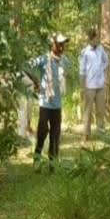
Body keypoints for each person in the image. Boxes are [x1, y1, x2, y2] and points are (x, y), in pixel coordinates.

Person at [27, 34, 71, 165]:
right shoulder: (44, 59)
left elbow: (66, 73)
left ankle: (53, 163)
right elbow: (27, 66)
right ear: (52, 44)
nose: (61, 47)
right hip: (45, 103)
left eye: (63, 44)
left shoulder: (64, 60)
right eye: (59, 44)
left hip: (57, 104)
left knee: (55, 134)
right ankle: (37, 159)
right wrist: (35, 81)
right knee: (42, 131)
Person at [78, 27, 110, 141]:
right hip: (89, 86)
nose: (97, 40)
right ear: (90, 39)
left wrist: (102, 68)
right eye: (95, 38)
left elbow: (106, 61)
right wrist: (83, 88)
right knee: (88, 110)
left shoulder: (101, 49)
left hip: (100, 85)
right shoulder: (85, 52)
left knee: (100, 110)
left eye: (97, 38)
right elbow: (82, 71)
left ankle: (101, 132)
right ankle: (86, 134)